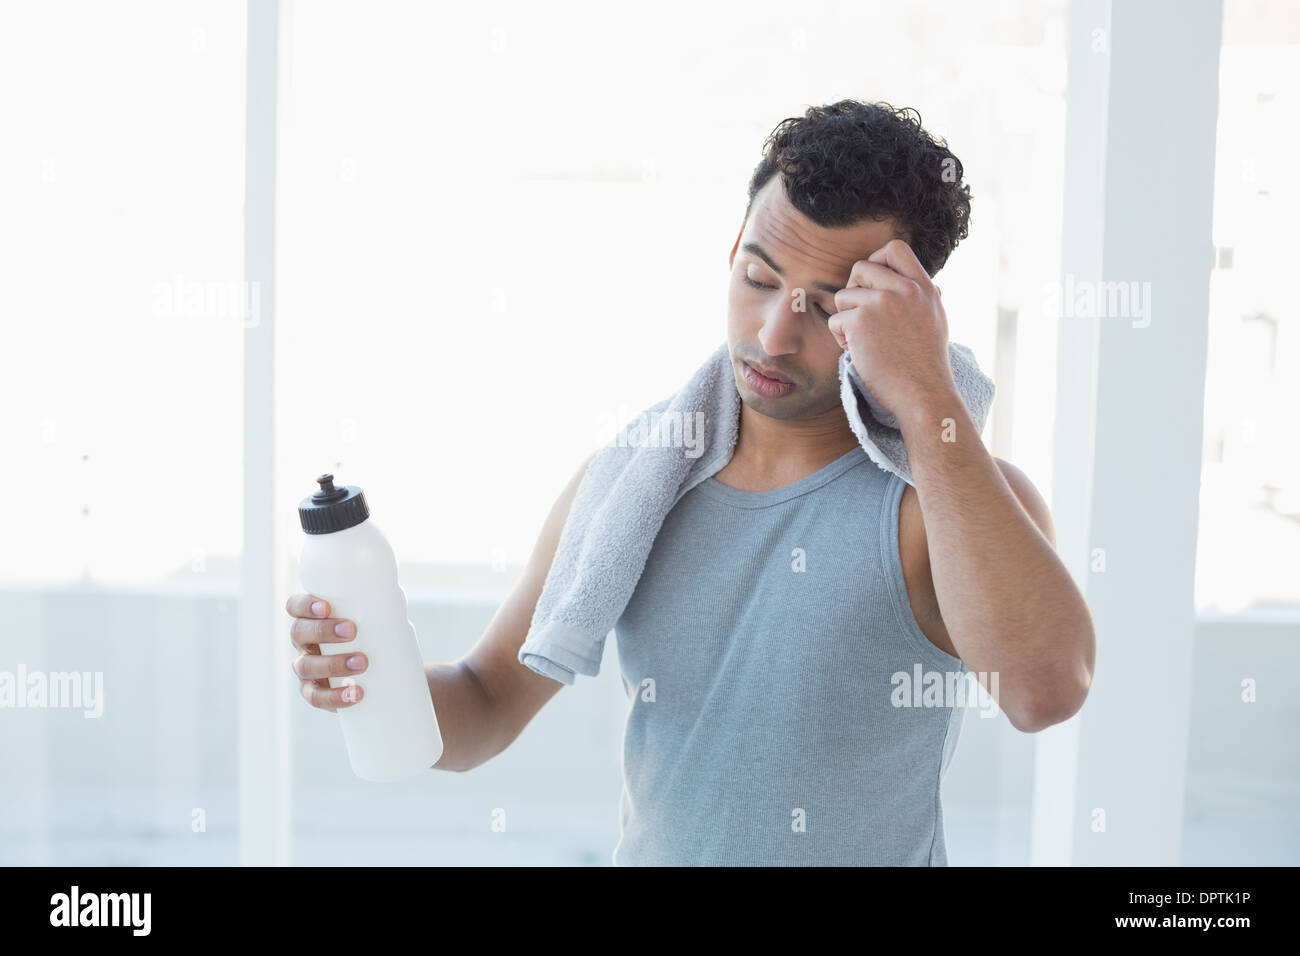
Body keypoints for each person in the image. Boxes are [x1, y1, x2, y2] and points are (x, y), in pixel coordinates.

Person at [286, 99, 1095, 865]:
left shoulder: (940, 505)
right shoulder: (635, 481)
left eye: (825, 305)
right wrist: (373, 677)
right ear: (734, 246)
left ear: (903, 309)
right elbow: (483, 709)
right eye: (759, 276)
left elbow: (1044, 693)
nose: (774, 334)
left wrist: (926, 396)